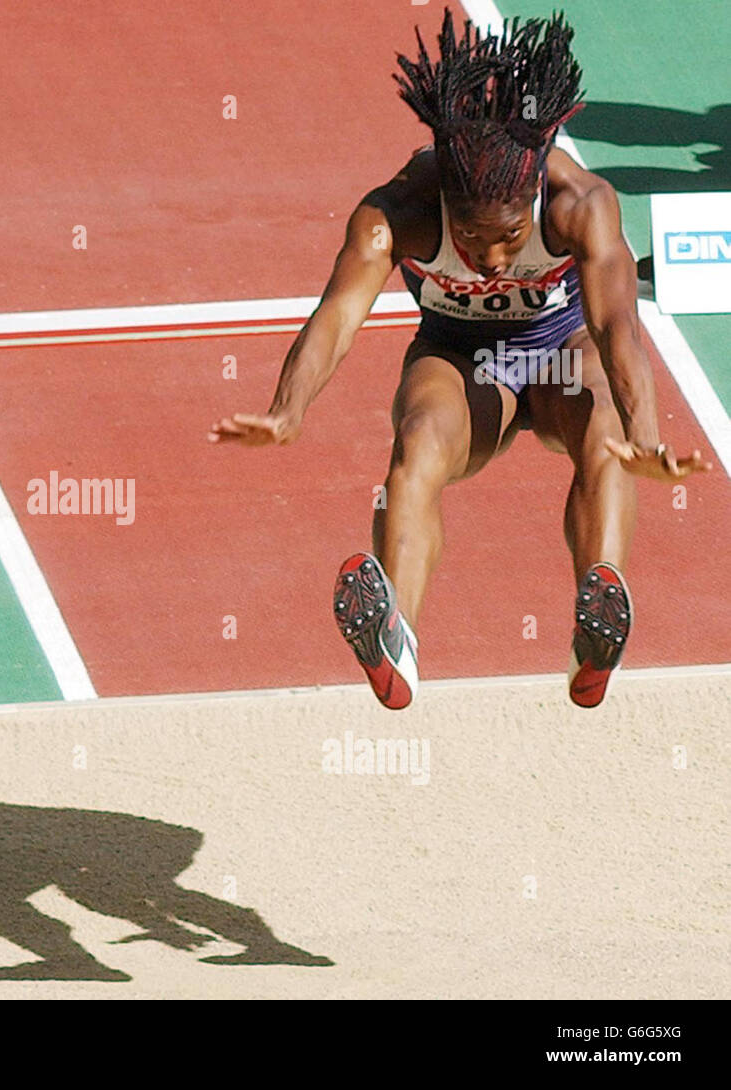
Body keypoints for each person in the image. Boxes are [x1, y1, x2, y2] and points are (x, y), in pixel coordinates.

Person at [211, 10, 709, 709]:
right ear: (447, 199)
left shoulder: (580, 204)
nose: (493, 255)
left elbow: (616, 324)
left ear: (533, 193)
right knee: (416, 446)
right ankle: (396, 640)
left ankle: (594, 628)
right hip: (460, 355)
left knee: (608, 437)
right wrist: (286, 408)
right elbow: (338, 316)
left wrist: (648, 435)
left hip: (562, 346)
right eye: (472, 234)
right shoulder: (398, 212)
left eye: (508, 236)